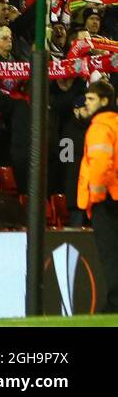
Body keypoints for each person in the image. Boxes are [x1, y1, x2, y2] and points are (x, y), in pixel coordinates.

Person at [79, 81, 118, 311]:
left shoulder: (100, 126)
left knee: (111, 255)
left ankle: (114, 304)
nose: (87, 103)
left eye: (91, 99)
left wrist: (96, 195)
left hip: (107, 200)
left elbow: (101, 163)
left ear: (104, 101)